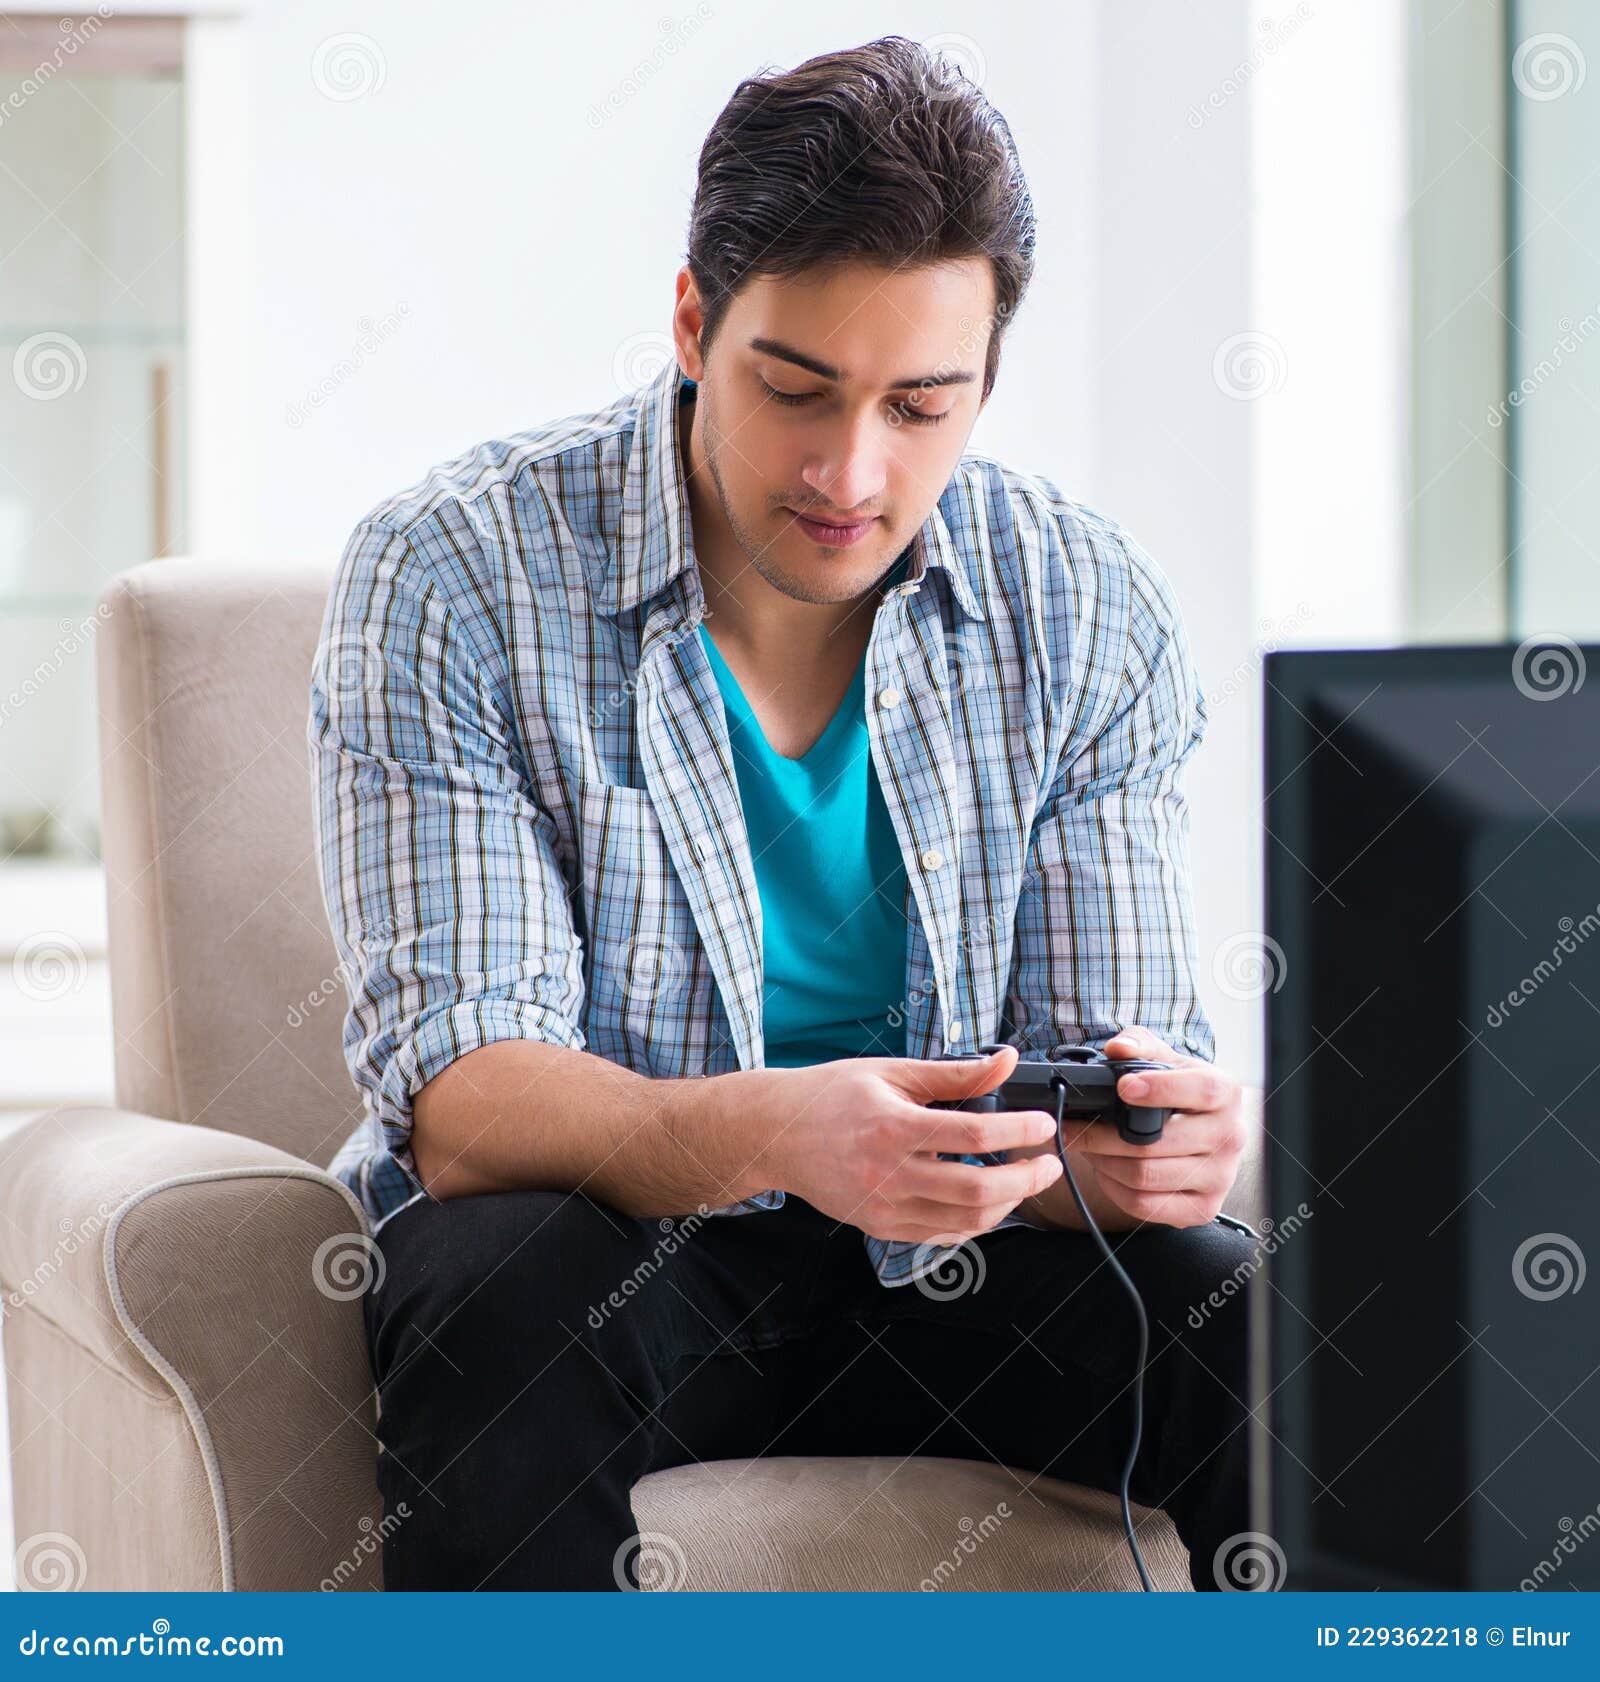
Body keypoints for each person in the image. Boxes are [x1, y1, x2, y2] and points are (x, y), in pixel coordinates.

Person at [309, 34, 1256, 1592]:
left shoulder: (1085, 607)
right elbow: (467, 1101)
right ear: (695, 321)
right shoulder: (455, 574)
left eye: (921, 406)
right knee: (498, 1275)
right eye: (796, 388)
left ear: (986, 381)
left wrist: (1151, 1149)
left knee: (1268, 1319)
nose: (850, 472)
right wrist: (787, 1134)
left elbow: (1100, 1090)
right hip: (628, 1268)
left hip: (964, 1275)